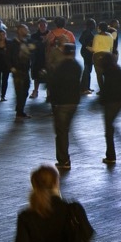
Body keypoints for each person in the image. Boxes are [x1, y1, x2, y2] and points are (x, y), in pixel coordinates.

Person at [45, 43, 84, 173]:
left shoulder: (60, 67)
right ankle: (64, 159)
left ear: (64, 52)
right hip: (74, 102)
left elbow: (53, 84)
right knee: (65, 130)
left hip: (61, 103)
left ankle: (64, 160)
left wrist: (53, 100)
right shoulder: (77, 66)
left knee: (61, 132)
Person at [95, 47, 121, 167]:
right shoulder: (117, 69)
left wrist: (101, 101)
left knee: (108, 130)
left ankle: (111, 156)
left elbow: (106, 89)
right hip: (119, 102)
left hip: (110, 103)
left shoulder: (108, 72)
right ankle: (112, 153)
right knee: (110, 126)